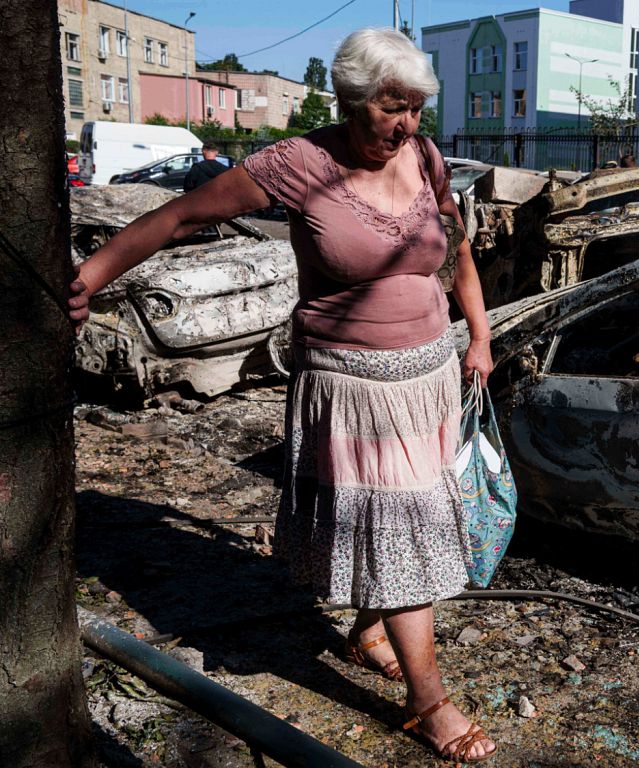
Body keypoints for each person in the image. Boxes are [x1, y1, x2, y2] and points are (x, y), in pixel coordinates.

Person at [68, 27, 497, 764]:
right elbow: (179, 215)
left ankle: (369, 629)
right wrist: (91, 275)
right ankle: (429, 702)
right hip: (354, 387)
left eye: (418, 110)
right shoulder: (299, 164)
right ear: (351, 99)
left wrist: (479, 337)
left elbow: (455, 248)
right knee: (398, 527)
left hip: (429, 375)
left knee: (412, 515)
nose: (407, 127)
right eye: (393, 109)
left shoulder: (422, 157)